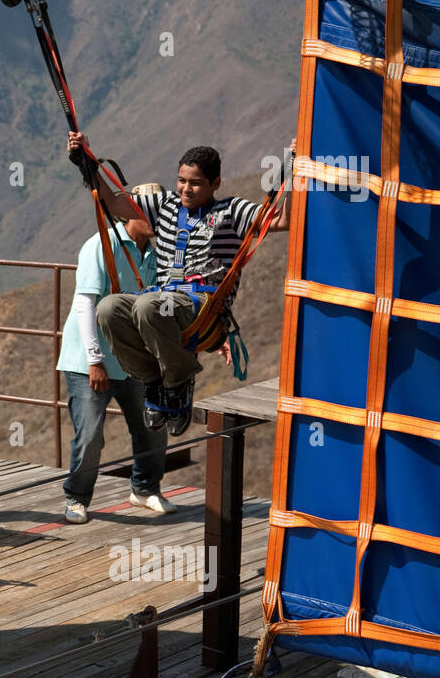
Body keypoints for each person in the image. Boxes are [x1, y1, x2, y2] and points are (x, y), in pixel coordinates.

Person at [67, 133, 290, 436]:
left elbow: (279, 220)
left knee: (148, 305)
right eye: (181, 180)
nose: (186, 189)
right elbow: (115, 202)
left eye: (195, 183)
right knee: (108, 308)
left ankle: (179, 380)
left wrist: (293, 169)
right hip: (163, 302)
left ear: (215, 183)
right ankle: (153, 381)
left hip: (202, 308)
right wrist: (87, 162)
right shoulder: (165, 205)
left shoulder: (231, 211)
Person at [56, 215, 174, 524]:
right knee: (91, 434)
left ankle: (145, 489)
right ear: (130, 214)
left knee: (152, 423)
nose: (159, 221)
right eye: (152, 215)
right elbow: (85, 303)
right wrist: (95, 359)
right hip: (89, 359)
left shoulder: (157, 252)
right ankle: (76, 497)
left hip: (132, 356)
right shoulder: (101, 244)